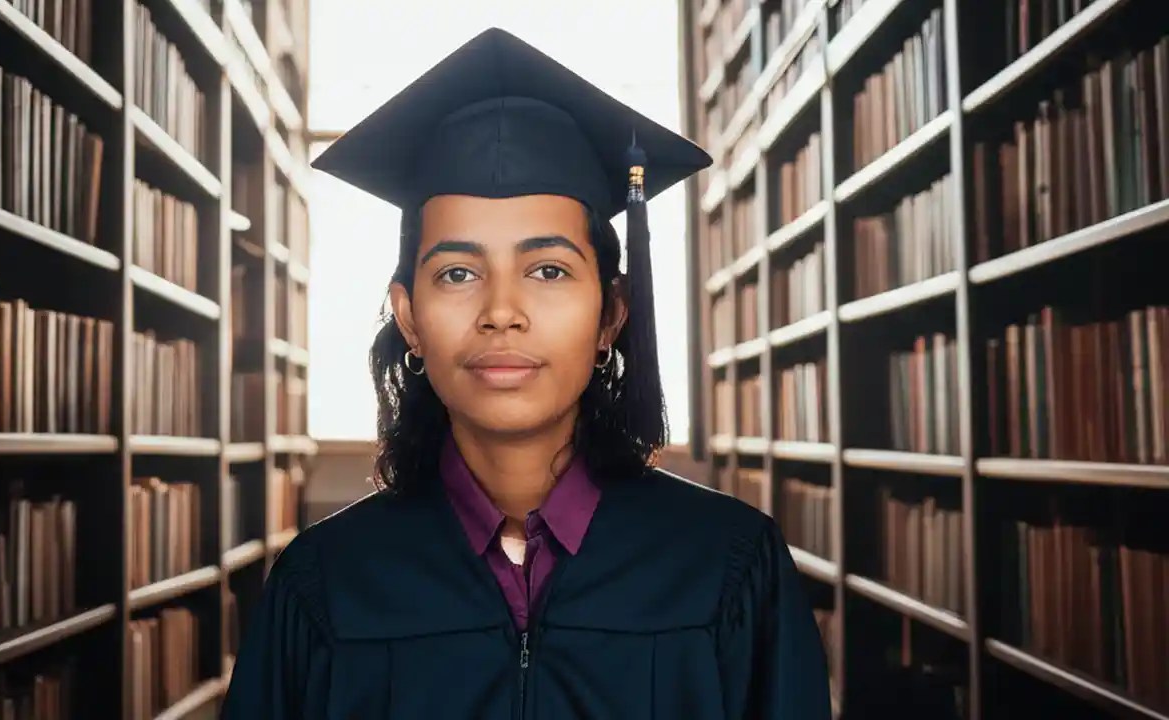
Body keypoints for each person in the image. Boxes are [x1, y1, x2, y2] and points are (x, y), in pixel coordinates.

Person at [222, 27, 831, 719]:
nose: (501, 312)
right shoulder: (326, 583)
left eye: (548, 270)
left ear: (611, 315)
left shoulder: (727, 566)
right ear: (410, 318)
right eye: (457, 273)